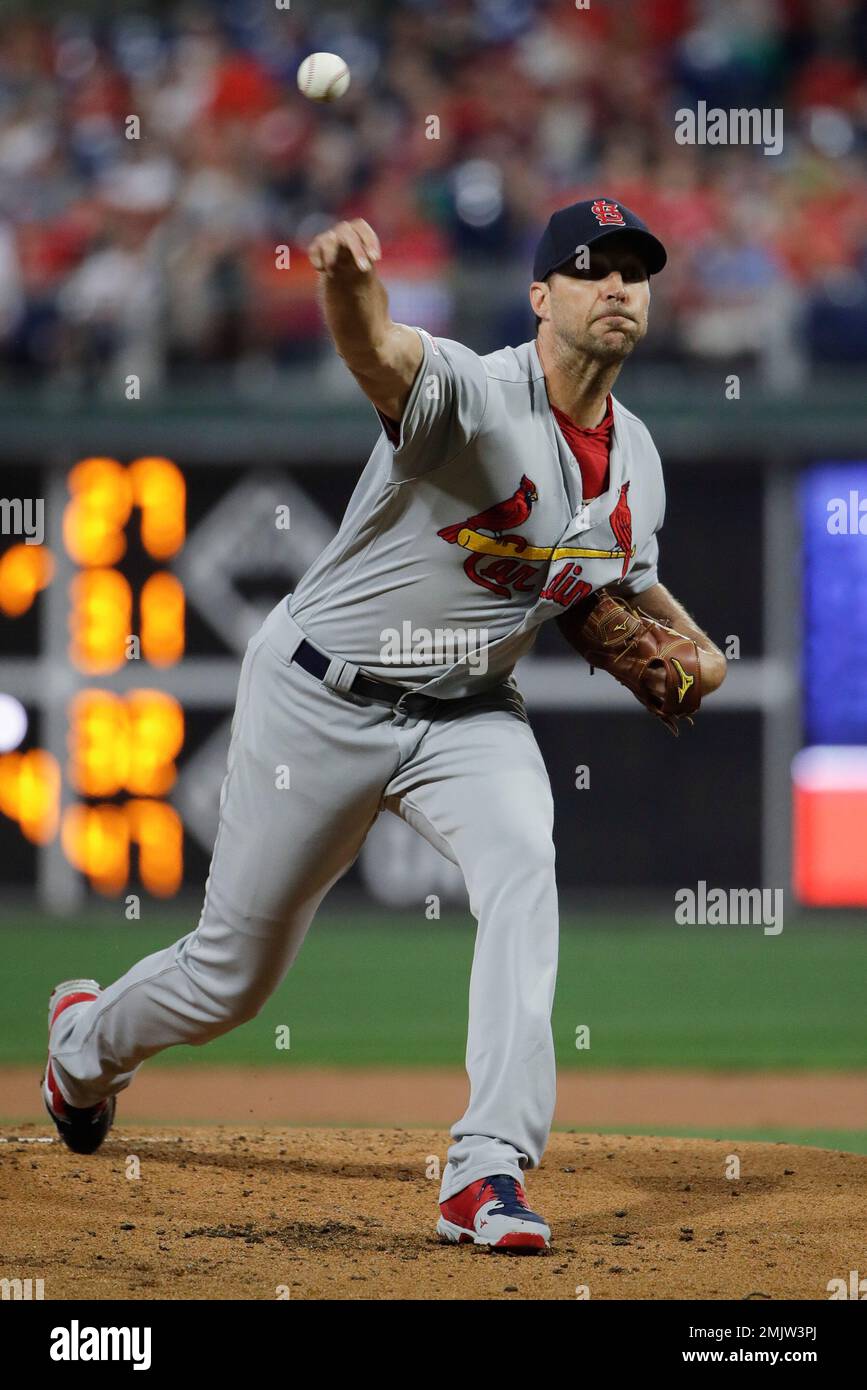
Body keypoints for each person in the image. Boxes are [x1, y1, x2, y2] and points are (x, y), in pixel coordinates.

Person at [43, 198, 727, 1253]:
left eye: (635, 271)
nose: (618, 288)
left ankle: (486, 1168)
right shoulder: (471, 393)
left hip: (469, 714)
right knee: (234, 974)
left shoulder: (637, 458)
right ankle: (83, 1049)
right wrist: (348, 280)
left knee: (522, 864)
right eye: (592, 270)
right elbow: (376, 348)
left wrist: (694, 645)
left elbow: (617, 585)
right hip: (321, 693)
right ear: (541, 297)